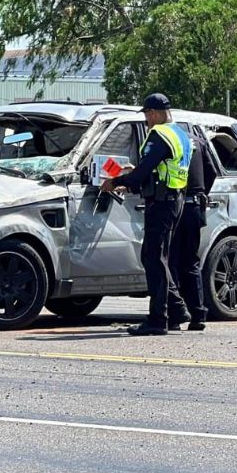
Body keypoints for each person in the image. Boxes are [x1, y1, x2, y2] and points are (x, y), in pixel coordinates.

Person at [101, 93, 193, 335]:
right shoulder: (181, 134)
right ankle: (176, 310)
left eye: (147, 114)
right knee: (159, 257)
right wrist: (135, 177)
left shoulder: (159, 135)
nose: (146, 119)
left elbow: (142, 173)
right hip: (175, 199)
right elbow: (160, 168)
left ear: (154, 112)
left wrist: (116, 180)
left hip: (161, 203)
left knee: (152, 258)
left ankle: (157, 320)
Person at [167, 127, 216, 331]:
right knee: (191, 261)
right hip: (195, 205)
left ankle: (175, 316)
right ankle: (198, 314)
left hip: (176, 205)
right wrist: (201, 192)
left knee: (172, 261)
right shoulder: (198, 141)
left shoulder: (167, 140)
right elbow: (211, 171)